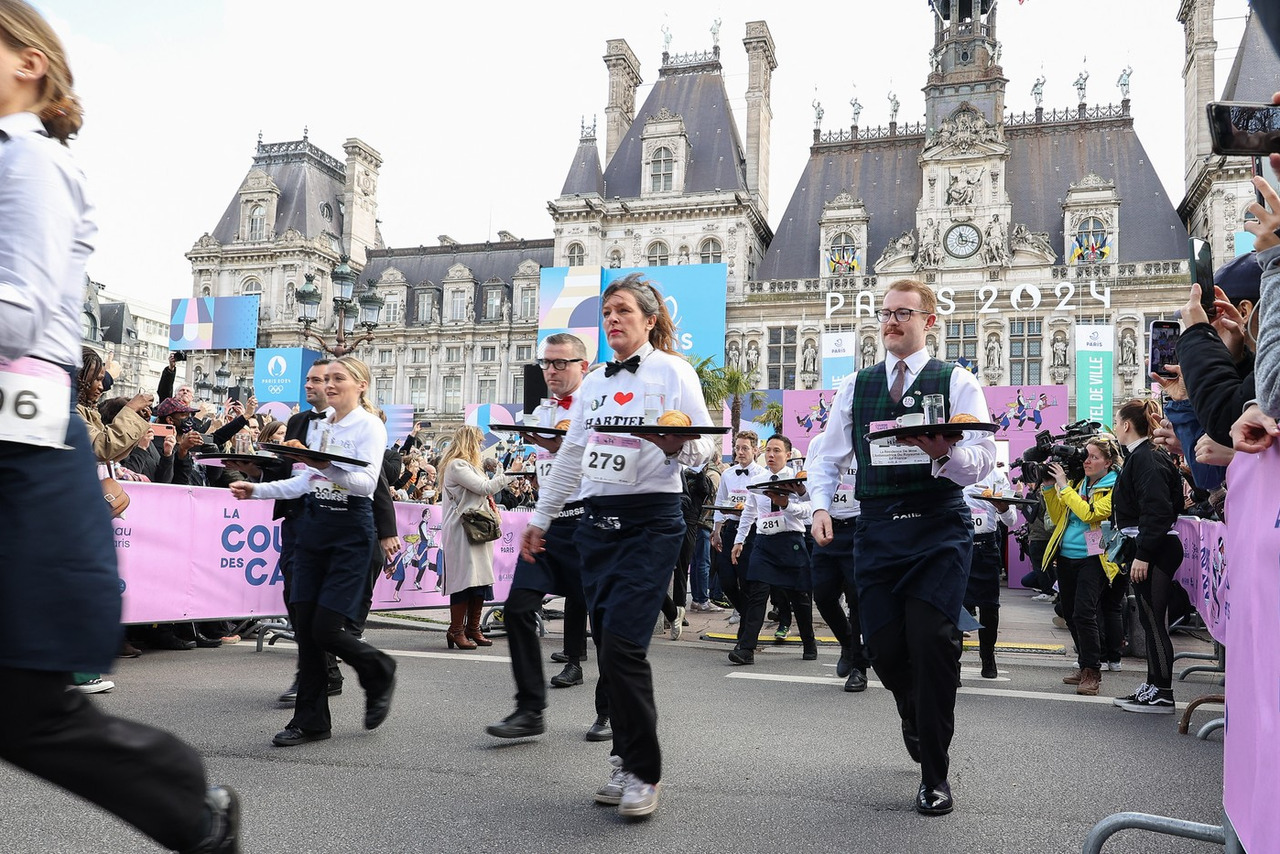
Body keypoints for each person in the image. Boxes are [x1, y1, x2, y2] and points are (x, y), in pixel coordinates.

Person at [0, 3, 240, 848]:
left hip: (19, 448)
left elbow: (22, 313)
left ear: (29, 63)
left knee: (27, 709)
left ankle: (188, 809)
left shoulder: (28, 163)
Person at [521, 272, 714, 819]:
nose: (612, 321)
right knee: (609, 648)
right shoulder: (598, 382)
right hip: (596, 526)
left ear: (649, 320)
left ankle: (642, 772)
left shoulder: (675, 371)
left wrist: (678, 446)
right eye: (606, 313)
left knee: (626, 647)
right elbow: (573, 456)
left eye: (623, 311)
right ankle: (624, 755)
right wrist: (541, 518)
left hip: (652, 522)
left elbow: (702, 452)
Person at [809, 279, 996, 817]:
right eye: (885, 313)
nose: (891, 321)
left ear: (929, 322)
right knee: (886, 649)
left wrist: (945, 455)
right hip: (878, 530)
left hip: (938, 529)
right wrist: (821, 506)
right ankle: (912, 714)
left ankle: (934, 773)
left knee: (935, 643)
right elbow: (827, 455)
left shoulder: (955, 380)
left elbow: (982, 460)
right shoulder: (857, 386)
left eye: (903, 313)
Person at [230, 356, 397, 746]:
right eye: (328, 379)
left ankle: (377, 668)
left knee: (326, 628)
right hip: (310, 534)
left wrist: (320, 464)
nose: (330, 384)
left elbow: (364, 484)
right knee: (306, 631)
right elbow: (301, 484)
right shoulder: (320, 425)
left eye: (340, 378)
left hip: (350, 535)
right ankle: (310, 721)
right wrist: (257, 490)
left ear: (361, 387)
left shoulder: (369, 425)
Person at [486, 334, 609, 741]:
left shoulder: (598, 407)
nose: (552, 371)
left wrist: (569, 445)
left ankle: (609, 710)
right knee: (518, 607)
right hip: (547, 527)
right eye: (546, 364)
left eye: (561, 363)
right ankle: (530, 708)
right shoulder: (540, 411)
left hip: (590, 525)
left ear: (583, 367)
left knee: (607, 624)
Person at [1110, 399, 1185, 714]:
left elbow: (1159, 509)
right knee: (1148, 618)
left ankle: (1163, 692)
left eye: (1116, 421)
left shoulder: (1145, 458)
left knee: (1154, 622)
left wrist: (1142, 554)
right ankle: (1154, 685)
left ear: (1127, 425)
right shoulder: (1144, 457)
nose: (1114, 427)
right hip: (1151, 546)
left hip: (1153, 549)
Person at [1040, 436, 1123, 697]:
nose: (1087, 461)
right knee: (1070, 611)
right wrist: (1048, 487)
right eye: (1086, 456)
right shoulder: (1077, 483)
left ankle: (1092, 672)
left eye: (1095, 457)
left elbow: (1090, 514)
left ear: (1108, 462)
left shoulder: (1114, 487)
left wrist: (1064, 487)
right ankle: (1084, 662)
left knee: (1085, 612)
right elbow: (1057, 516)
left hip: (1095, 557)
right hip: (1066, 555)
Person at [728, 435, 816, 664]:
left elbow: (811, 508)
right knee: (757, 593)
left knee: (800, 597)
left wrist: (786, 504)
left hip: (791, 541)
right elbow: (748, 512)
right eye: (768, 450)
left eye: (777, 451)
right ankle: (746, 649)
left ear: (788, 455)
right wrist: (739, 541)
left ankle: (809, 642)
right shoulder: (759, 479)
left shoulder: (797, 480)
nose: (771, 455)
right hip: (764, 542)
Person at [795, 427, 869, 692]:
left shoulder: (866, 441)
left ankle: (859, 669)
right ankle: (848, 643)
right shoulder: (818, 443)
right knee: (824, 596)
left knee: (857, 600)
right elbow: (810, 487)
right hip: (826, 526)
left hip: (859, 525)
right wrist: (798, 491)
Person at [438, 424, 516, 649]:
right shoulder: (457, 465)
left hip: (477, 528)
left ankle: (473, 628)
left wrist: (504, 474)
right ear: (469, 442)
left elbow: (485, 489)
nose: (481, 445)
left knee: (479, 579)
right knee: (464, 579)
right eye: (479, 441)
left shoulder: (469, 466)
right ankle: (456, 630)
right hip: (463, 529)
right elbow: (485, 488)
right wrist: (509, 474)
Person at [962, 467, 1018, 679]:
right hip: (958, 544)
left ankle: (988, 657)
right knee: (955, 605)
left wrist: (1003, 508)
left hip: (986, 545)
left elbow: (1011, 520)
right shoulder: (950, 469)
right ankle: (952, 661)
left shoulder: (995, 475)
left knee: (989, 606)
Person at [711, 431, 765, 620]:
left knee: (746, 578)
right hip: (731, 528)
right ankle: (745, 612)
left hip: (752, 531)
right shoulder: (727, 474)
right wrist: (716, 530)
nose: (740, 452)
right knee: (725, 580)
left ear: (755, 450)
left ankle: (748, 623)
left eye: (745, 448)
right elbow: (720, 502)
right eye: (737, 448)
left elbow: (765, 507)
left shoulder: (762, 475)